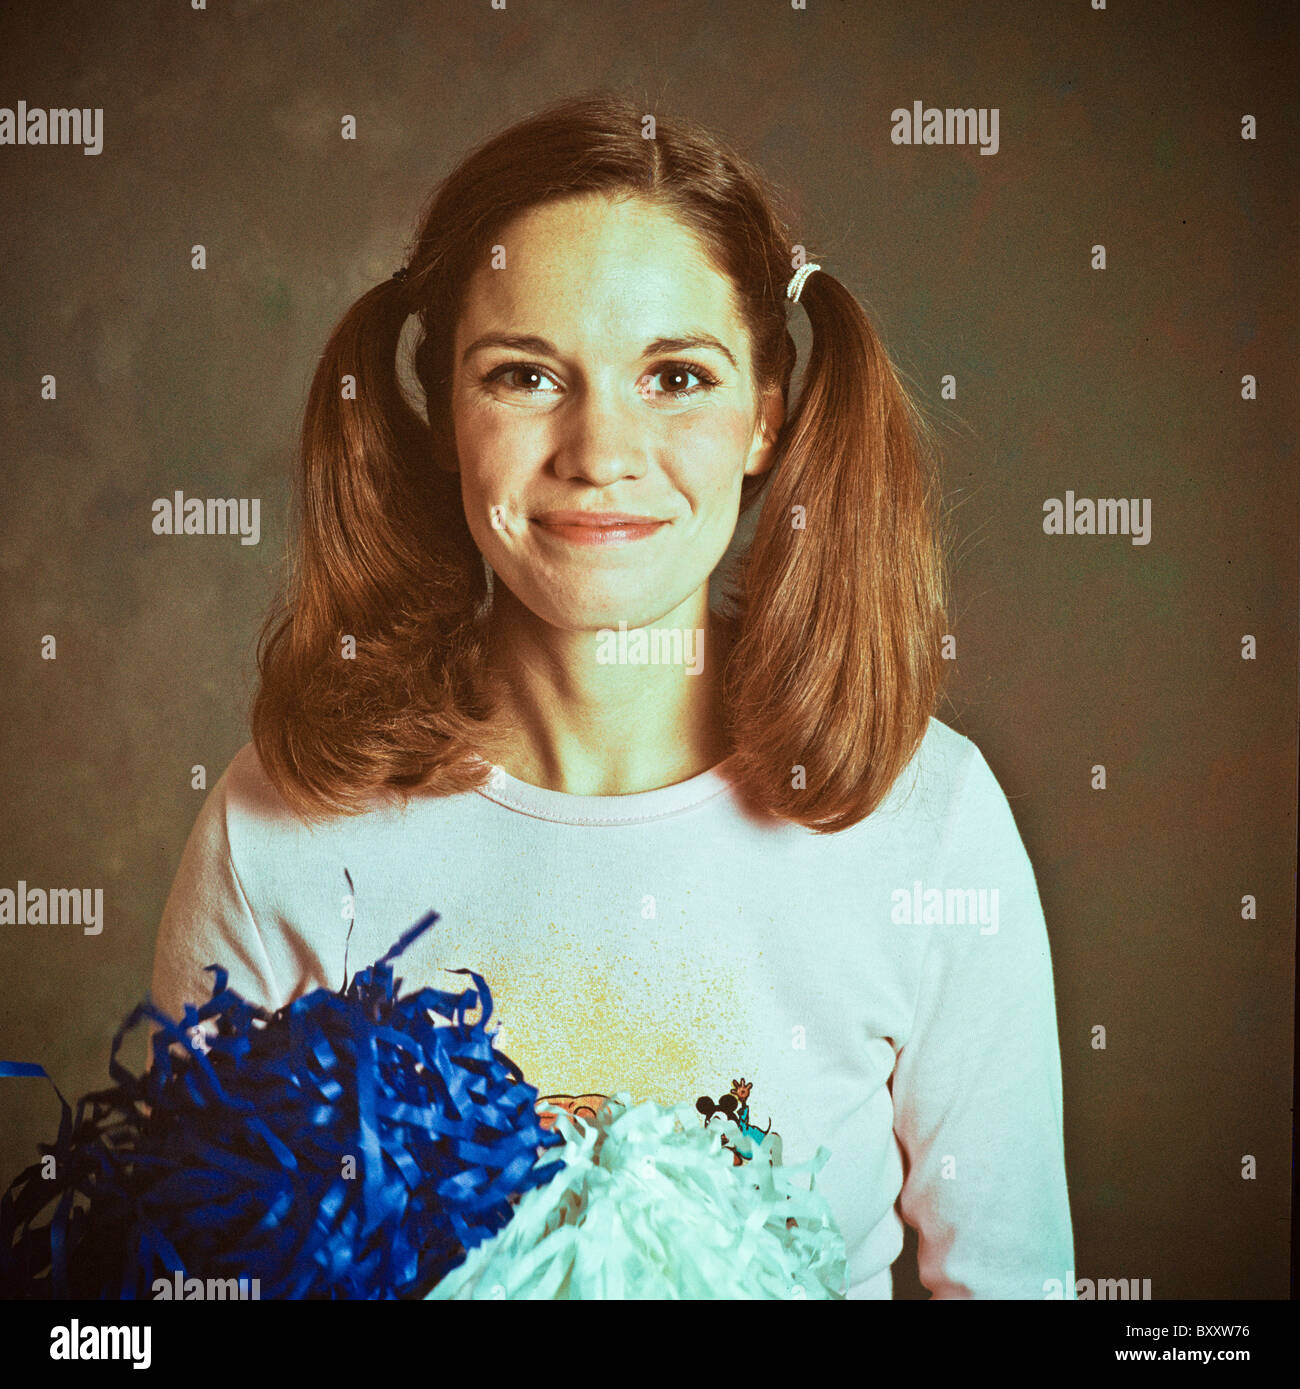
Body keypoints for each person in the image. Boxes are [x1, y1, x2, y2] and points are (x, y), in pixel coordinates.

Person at [150, 92, 1074, 1299]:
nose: (601, 451)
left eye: (677, 376)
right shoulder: (276, 826)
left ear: (763, 423)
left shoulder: (931, 820)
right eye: (526, 376)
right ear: (444, 424)